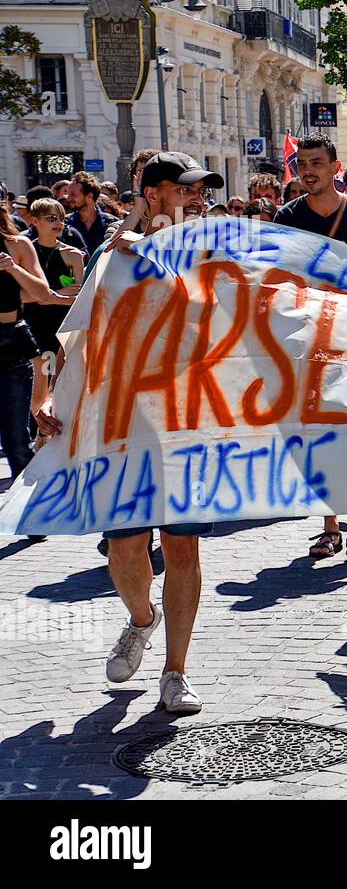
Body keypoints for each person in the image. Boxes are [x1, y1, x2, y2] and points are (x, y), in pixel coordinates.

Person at [34, 150, 222, 714]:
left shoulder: (208, 254)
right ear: (151, 194)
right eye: (184, 189)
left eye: (198, 190)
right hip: (121, 422)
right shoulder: (111, 260)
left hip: (188, 420)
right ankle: (142, 619)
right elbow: (78, 337)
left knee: (183, 547)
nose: (195, 198)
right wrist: (50, 396)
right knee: (124, 549)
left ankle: (176, 671)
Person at [272, 134, 347, 559]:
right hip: (306, 340)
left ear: (335, 168)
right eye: (303, 163)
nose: (308, 170)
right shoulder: (287, 215)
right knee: (317, 434)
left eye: (316, 162)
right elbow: (278, 275)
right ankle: (328, 526)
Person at [0, 207, 75, 482]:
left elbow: (43, 294)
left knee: (17, 442)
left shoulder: (17, 244)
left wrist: (13, 268)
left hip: (11, 343)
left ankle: (31, 510)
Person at [23, 197, 84, 426]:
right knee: (38, 387)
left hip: (61, 328)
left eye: (61, 218)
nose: (58, 223)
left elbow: (77, 300)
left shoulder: (73, 255)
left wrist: (45, 296)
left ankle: (46, 434)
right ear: (34, 221)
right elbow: (20, 295)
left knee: (57, 386)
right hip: (32, 326)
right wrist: (58, 294)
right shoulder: (26, 251)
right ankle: (36, 434)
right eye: (51, 218)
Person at [64, 171, 119, 252]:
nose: (68, 199)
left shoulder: (112, 223)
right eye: (68, 194)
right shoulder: (65, 224)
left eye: (73, 195)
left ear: (89, 196)